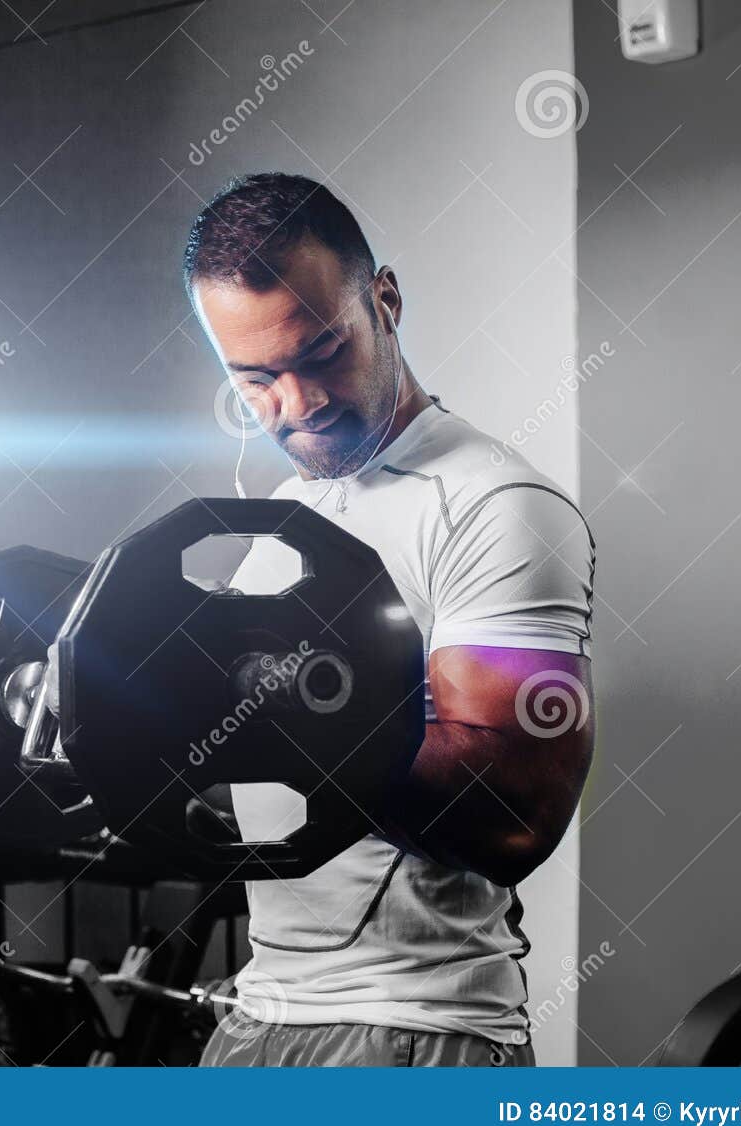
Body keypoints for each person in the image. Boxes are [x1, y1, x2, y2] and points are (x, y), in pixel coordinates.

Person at [184, 173, 595, 1067]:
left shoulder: (493, 503)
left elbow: (513, 811)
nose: (299, 405)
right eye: (256, 378)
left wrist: (261, 706)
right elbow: (248, 798)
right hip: (263, 1008)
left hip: (412, 1031)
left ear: (386, 300)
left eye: (323, 352)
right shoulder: (298, 510)